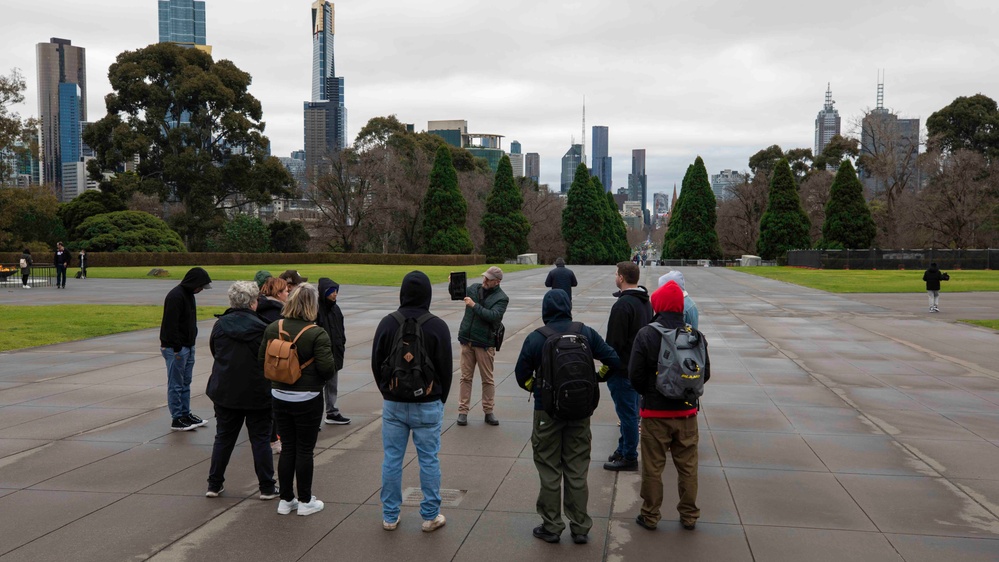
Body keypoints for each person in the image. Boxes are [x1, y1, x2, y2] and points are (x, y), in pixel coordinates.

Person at [515, 289, 620, 545]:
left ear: (545, 310)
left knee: (549, 468)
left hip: (546, 412)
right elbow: (613, 360)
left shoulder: (536, 338)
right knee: (576, 468)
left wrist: (537, 388)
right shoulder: (585, 332)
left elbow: (521, 376)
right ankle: (580, 526)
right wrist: (595, 379)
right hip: (580, 410)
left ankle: (552, 526)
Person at [371, 271, 453, 532]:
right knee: (429, 459)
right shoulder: (437, 325)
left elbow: (376, 363)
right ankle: (430, 516)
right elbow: (446, 369)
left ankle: (390, 516)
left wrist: (387, 391)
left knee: (392, 459)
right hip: (428, 402)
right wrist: (440, 399)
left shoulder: (387, 323)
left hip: (394, 403)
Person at [630, 280, 709, 532]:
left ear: (659, 304)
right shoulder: (695, 336)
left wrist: (650, 393)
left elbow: (635, 376)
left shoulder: (646, 334)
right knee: (687, 467)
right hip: (687, 413)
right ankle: (689, 516)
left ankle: (650, 515)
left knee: (653, 467)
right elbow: (704, 374)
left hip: (655, 413)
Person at [258, 283, 335, 517]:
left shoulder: (273, 327)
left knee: (288, 447)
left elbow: (262, 359)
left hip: (279, 395)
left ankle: (286, 499)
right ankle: (304, 500)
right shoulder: (316, 333)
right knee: (304, 450)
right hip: (307, 397)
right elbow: (327, 369)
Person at [205, 281, 277, 500]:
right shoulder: (264, 328)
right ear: (254, 303)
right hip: (257, 391)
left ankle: (214, 484)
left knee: (224, 438)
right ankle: (266, 486)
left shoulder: (220, 326)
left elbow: (215, 351)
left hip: (226, 390)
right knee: (261, 439)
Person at [604, 261, 653, 472]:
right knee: (629, 412)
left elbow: (614, 343)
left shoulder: (623, 305)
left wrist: (606, 368)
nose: (615, 277)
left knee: (628, 415)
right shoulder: (645, 302)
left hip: (623, 369)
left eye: (616, 274)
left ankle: (630, 456)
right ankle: (623, 449)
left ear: (622, 278)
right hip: (637, 368)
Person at [160, 267, 213, 431]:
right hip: (176, 348)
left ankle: (185, 413)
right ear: (194, 283)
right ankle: (177, 417)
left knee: (185, 382)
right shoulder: (176, 296)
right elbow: (170, 325)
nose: (201, 290)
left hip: (188, 345)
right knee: (176, 384)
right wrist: (176, 348)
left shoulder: (189, 295)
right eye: (200, 286)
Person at [456, 266, 508, 426]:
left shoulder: (501, 298)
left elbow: (493, 316)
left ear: (497, 282)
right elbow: (458, 293)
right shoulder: (474, 289)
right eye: (485, 277)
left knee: (487, 379)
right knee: (465, 377)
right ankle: (462, 412)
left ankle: (488, 411)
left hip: (485, 343)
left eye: (488, 279)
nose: (484, 280)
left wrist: (474, 305)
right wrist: (453, 284)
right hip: (467, 339)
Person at [256, 275, 287, 455]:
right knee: (273, 403)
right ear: (278, 293)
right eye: (284, 291)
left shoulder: (260, 307)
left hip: (261, 362)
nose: (287, 293)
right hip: (272, 362)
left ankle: (272, 437)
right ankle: (274, 439)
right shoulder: (276, 313)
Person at [317, 278, 349, 425]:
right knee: (317, 386)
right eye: (331, 292)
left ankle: (332, 412)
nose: (335, 294)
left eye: (336, 291)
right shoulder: (317, 310)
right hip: (321, 354)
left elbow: (341, 330)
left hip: (334, 352)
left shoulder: (336, 309)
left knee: (332, 384)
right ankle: (314, 416)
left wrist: (341, 343)